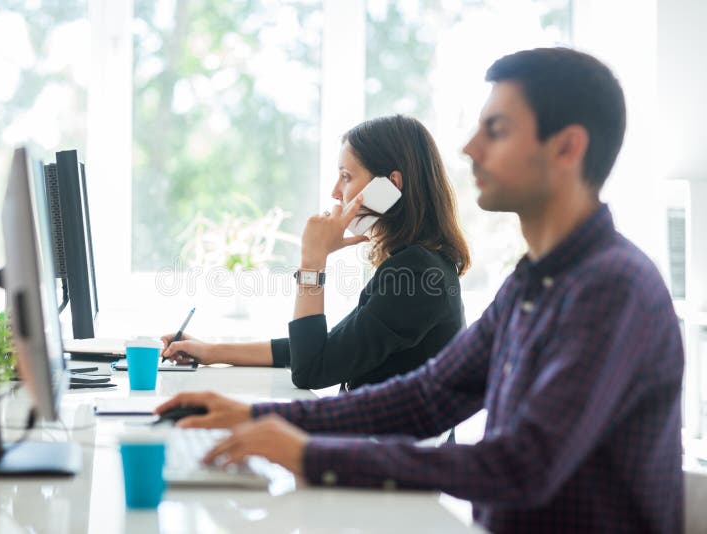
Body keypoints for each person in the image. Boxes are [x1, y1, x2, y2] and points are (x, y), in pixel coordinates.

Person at [156, 47, 684, 533]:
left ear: (567, 147)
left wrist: (312, 453)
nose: (469, 148)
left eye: (495, 130)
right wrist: (261, 417)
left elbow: (521, 464)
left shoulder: (611, 289)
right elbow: (428, 395)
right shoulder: (534, 281)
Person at [161, 115, 470, 391]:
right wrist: (210, 351)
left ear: (391, 185)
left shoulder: (416, 273)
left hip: (386, 450)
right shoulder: (416, 263)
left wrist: (313, 261)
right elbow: (322, 348)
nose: (336, 192)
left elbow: (312, 369)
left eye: (346, 177)